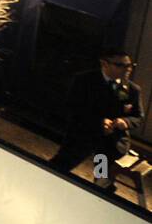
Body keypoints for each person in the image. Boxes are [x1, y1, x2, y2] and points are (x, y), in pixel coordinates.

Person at [49, 48, 145, 191]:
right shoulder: (84, 81)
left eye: (130, 66)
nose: (127, 69)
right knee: (59, 167)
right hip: (84, 134)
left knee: (101, 174)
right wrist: (98, 122)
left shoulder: (130, 89)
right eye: (120, 65)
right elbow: (72, 108)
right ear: (104, 64)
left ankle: (100, 187)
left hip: (109, 141)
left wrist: (125, 122)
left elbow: (137, 116)